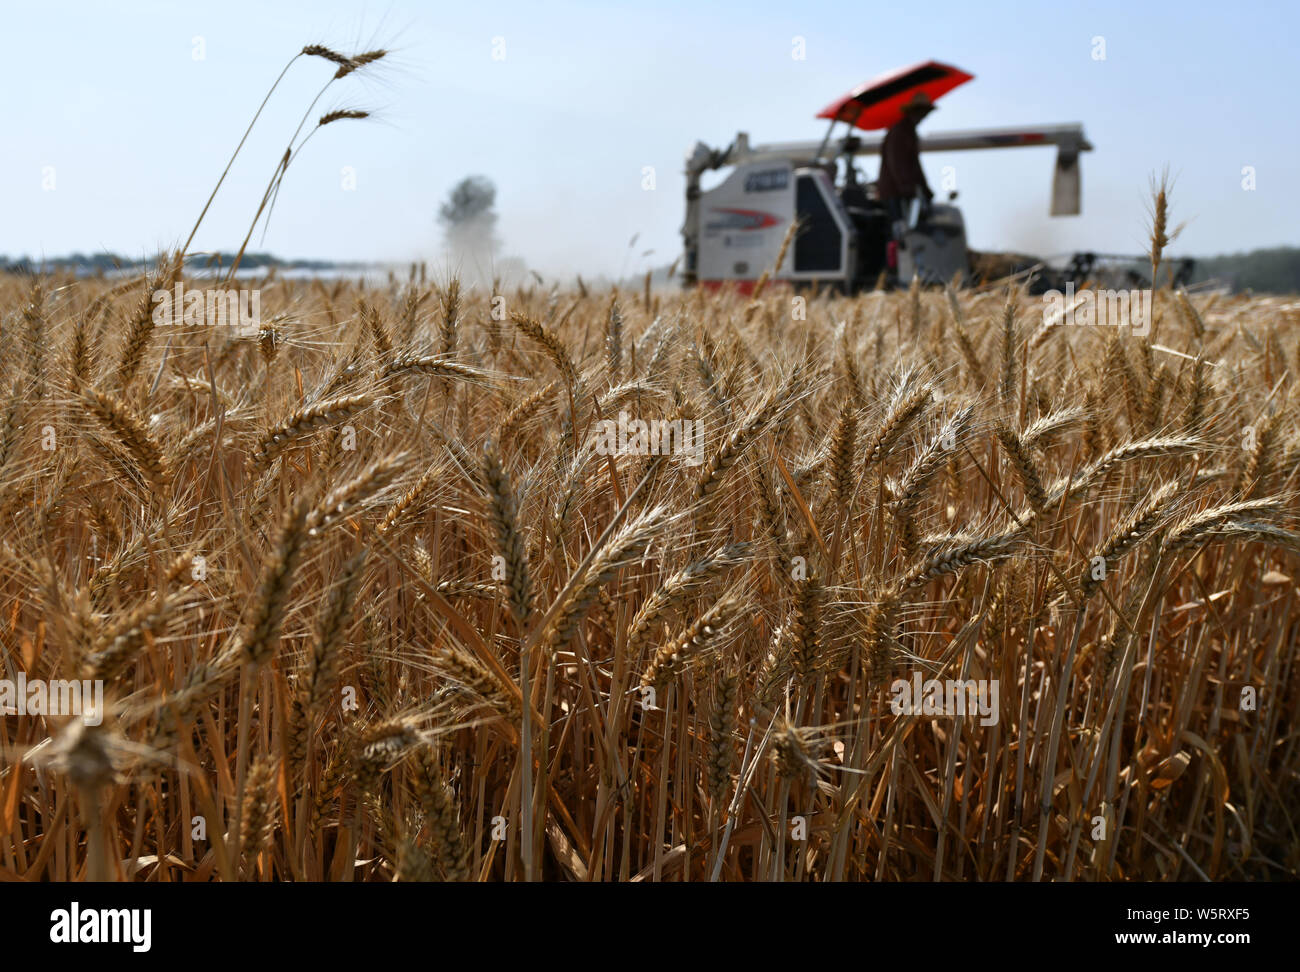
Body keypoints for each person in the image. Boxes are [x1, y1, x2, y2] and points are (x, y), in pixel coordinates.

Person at [877, 91, 936, 228]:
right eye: (922, 112)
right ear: (914, 111)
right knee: (899, 230)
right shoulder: (900, 131)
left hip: (904, 192)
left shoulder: (909, 132)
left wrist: (925, 190)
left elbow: (915, 166)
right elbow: (896, 164)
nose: (923, 116)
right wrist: (908, 188)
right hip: (894, 192)